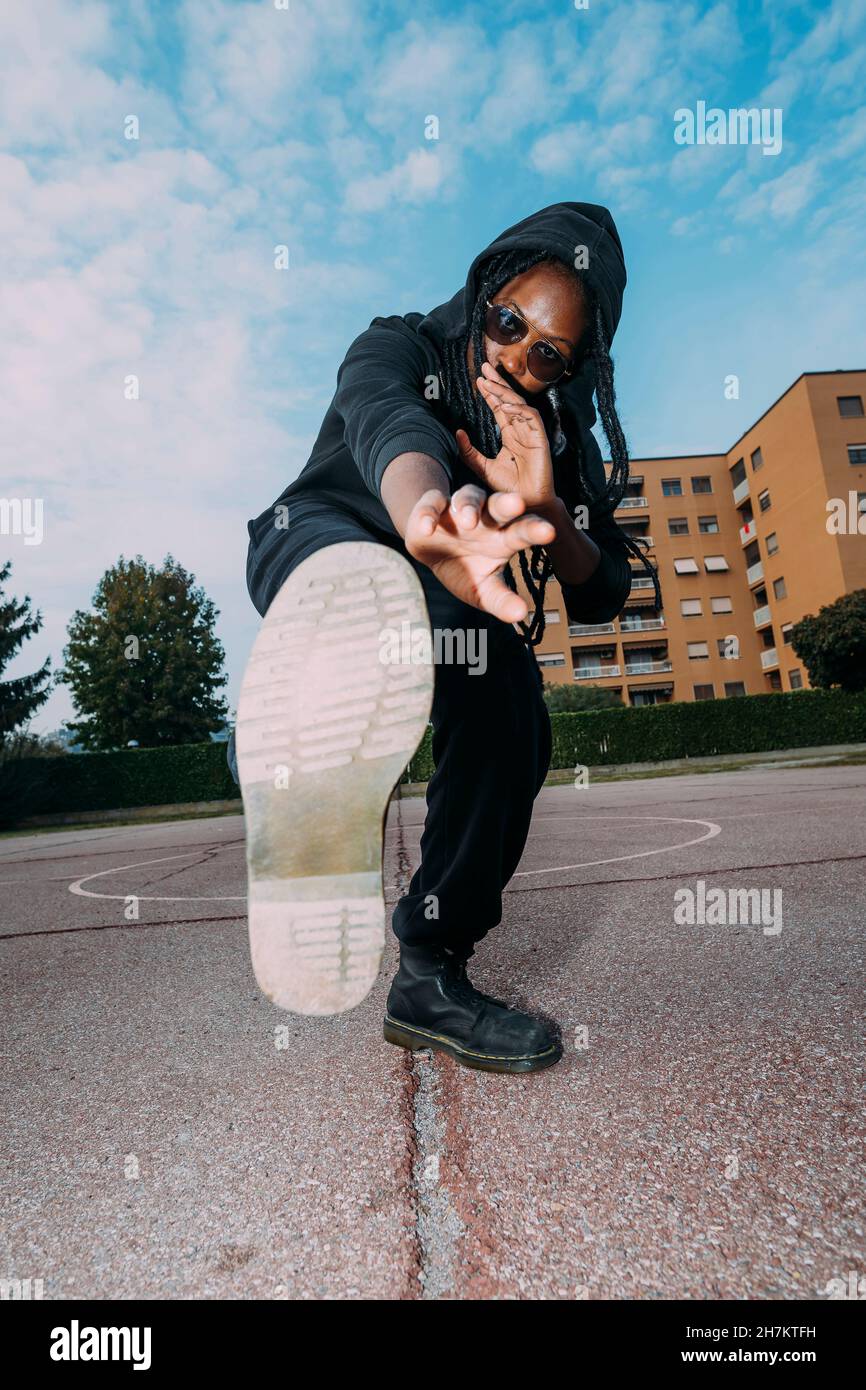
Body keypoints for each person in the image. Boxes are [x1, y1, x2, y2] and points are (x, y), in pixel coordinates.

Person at [231, 202, 658, 1075]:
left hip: (458, 595)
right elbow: (391, 420)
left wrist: (546, 512)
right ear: (485, 294)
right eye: (508, 322)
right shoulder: (403, 345)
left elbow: (608, 586)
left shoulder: (553, 434)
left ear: (572, 368)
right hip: (323, 534)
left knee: (511, 714)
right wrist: (430, 510)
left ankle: (429, 976)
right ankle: (294, 747)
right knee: (362, 584)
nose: (514, 356)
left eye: (549, 354)